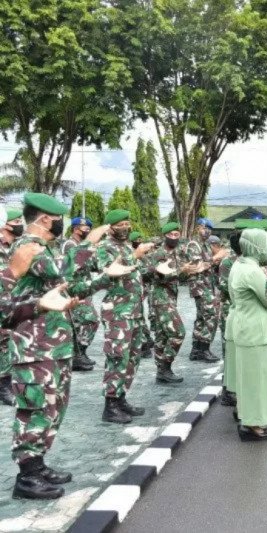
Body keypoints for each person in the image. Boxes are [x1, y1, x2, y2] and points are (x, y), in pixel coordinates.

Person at [9, 193, 133, 499]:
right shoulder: (27, 247)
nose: (62, 224)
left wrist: (105, 277)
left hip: (55, 344)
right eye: (58, 218)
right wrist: (89, 243)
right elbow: (63, 270)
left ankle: (37, 465)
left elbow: (70, 286)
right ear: (45, 219)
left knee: (53, 407)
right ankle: (26, 476)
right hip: (34, 345)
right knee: (36, 407)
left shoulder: (46, 249)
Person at [95, 209, 155, 424]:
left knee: (133, 357)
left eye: (127, 223)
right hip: (117, 312)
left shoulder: (125, 246)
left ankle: (120, 398)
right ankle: (110, 405)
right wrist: (136, 256)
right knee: (117, 356)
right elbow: (109, 271)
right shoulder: (105, 247)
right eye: (120, 224)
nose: (125, 227)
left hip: (134, 311)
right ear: (111, 226)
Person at [230, 228, 267, 441]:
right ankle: (252, 424)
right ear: (255, 247)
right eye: (266, 246)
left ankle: (247, 417)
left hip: (246, 328)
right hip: (256, 332)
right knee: (256, 381)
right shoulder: (252, 271)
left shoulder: (239, 265)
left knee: (248, 379)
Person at [147, 222, 196, 385]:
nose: (174, 238)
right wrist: (181, 271)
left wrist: (188, 271)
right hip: (161, 297)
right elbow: (158, 276)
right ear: (164, 235)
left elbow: (178, 277)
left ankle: (161, 372)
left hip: (171, 297)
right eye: (171, 235)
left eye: (177, 235)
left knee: (162, 335)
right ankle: (165, 367)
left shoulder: (177, 252)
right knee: (177, 332)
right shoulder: (158, 254)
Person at [181, 218, 223, 363]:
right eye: (205, 228)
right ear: (198, 227)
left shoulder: (205, 245)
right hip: (200, 286)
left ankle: (196, 350)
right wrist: (216, 257)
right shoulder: (194, 245)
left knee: (201, 318)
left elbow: (208, 264)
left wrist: (213, 261)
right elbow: (197, 267)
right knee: (211, 315)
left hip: (206, 285)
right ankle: (204, 349)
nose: (208, 231)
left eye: (210, 229)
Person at [61, 217, 100, 372]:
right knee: (88, 320)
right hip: (73, 289)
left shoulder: (82, 245)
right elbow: (71, 266)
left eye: (89, 228)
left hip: (84, 289)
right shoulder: (69, 244)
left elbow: (93, 265)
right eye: (85, 228)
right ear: (76, 229)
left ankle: (79, 353)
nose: (87, 231)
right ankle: (77, 354)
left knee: (84, 323)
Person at [0, 208, 25, 406]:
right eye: (16, 221)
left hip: (10, 305)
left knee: (6, 345)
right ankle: (4, 386)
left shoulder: (15, 248)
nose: (19, 224)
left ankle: (6, 383)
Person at [218, 231, 239, 405]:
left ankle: (237, 387)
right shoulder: (228, 262)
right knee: (229, 351)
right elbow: (225, 286)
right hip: (229, 311)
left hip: (241, 311)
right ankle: (227, 390)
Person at [130, 231, 155, 360]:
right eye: (137, 239)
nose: (139, 241)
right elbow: (140, 271)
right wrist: (151, 270)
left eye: (140, 238)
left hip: (143, 289)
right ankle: (144, 344)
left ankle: (146, 341)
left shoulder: (144, 256)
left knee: (140, 316)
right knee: (138, 317)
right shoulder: (131, 255)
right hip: (134, 290)